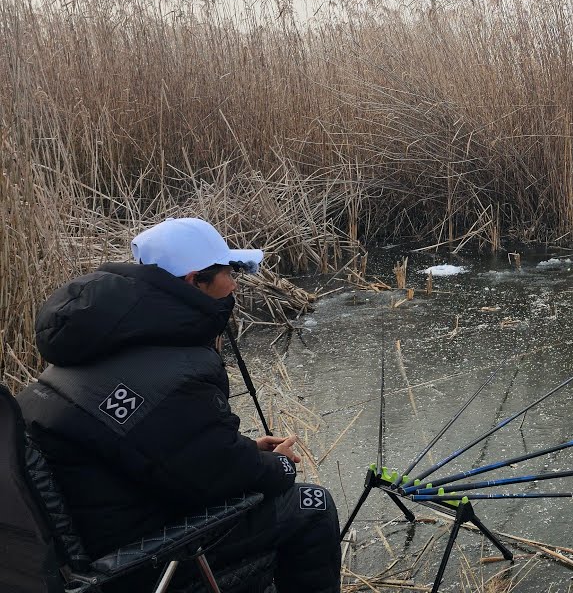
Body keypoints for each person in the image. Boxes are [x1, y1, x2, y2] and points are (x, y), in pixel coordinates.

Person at [17, 217, 340, 593]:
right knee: (312, 505)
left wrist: (246, 450)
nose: (234, 284)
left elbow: (158, 444)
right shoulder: (174, 366)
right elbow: (217, 477)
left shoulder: (105, 337)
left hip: (94, 537)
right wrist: (280, 464)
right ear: (193, 280)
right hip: (138, 563)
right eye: (227, 272)